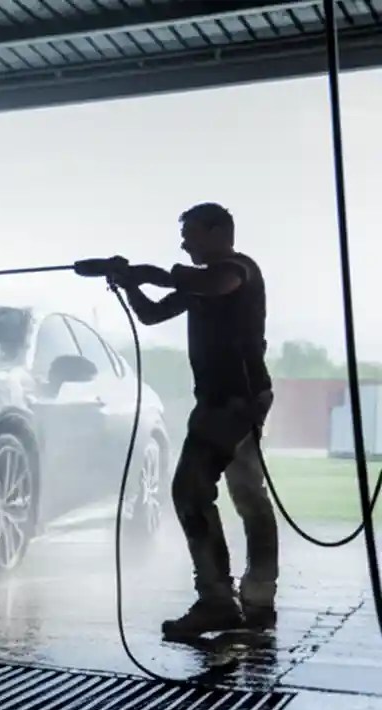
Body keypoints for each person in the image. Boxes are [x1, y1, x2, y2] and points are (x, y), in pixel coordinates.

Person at [111, 202, 278, 638]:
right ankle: (256, 598)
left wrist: (153, 272)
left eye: (192, 234)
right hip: (226, 402)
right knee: (248, 496)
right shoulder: (199, 283)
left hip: (233, 403)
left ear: (220, 232)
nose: (185, 243)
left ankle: (218, 601)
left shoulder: (238, 269)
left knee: (189, 490)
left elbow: (216, 282)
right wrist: (129, 284)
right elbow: (151, 314)